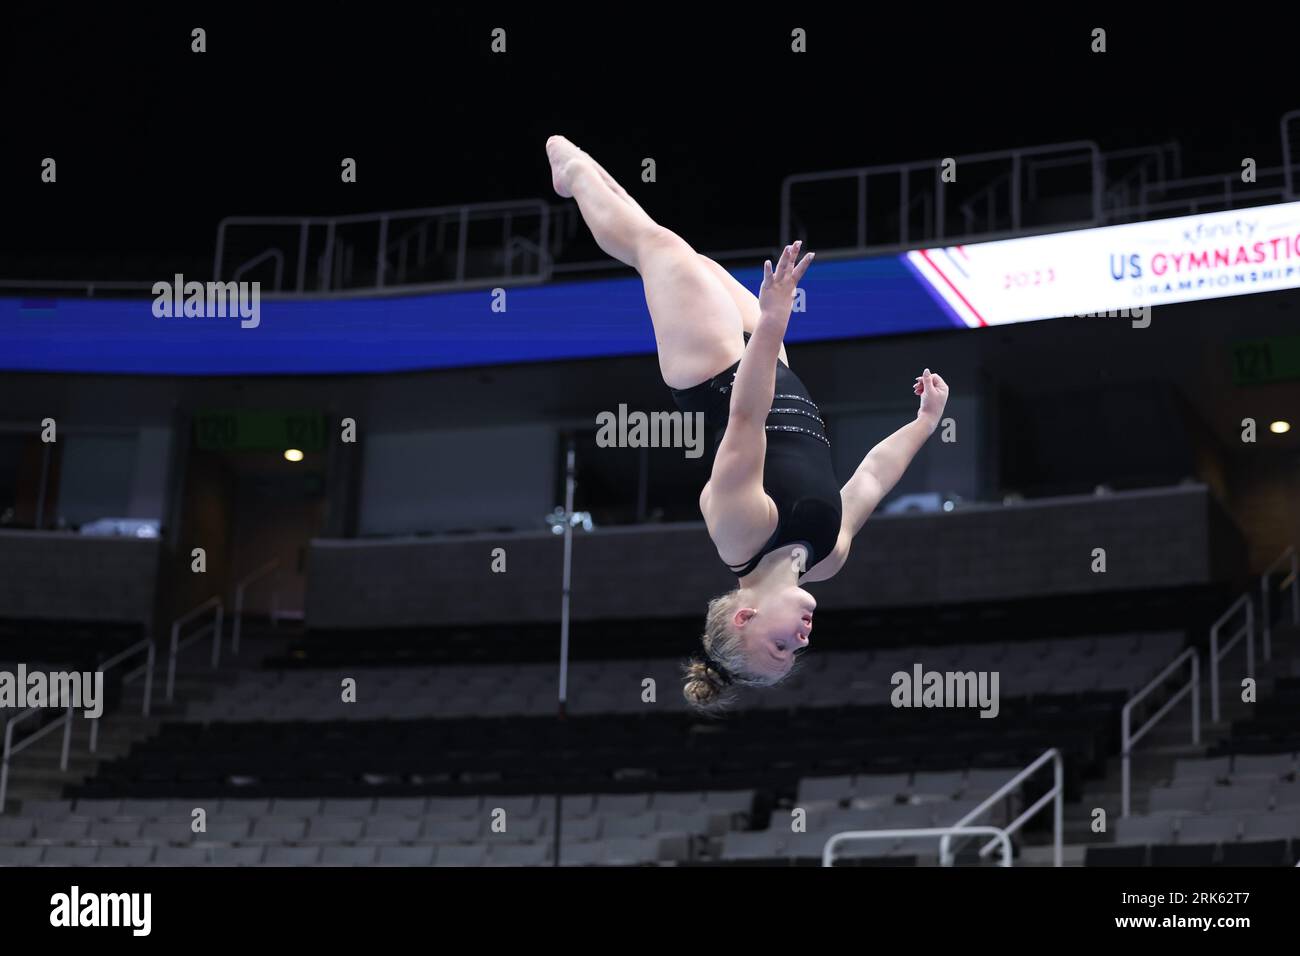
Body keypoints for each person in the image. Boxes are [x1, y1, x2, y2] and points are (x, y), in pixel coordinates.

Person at [545, 136, 949, 710]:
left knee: (655, 246)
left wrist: (774, 321)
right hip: (766, 362)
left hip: (712, 372)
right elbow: (871, 480)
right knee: (676, 249)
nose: (801, 640)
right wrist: (924, 423)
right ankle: (583, 171)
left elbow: (746, 416)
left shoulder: (741, 533)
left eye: (779, 645)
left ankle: (575, 177)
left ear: (744, 616)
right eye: (794, 651)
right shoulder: (827, 558)